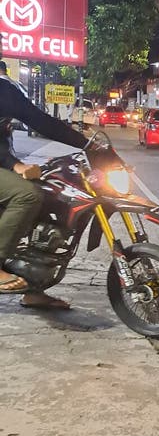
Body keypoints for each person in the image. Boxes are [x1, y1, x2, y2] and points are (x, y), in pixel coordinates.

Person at [0, 75, 88, 306]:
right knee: (27, 195)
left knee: (50, 196)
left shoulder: (5, 90)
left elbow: (41, 121)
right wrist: (14, 164)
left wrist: (90, 146)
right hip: (4, 163)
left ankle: (33, 288)